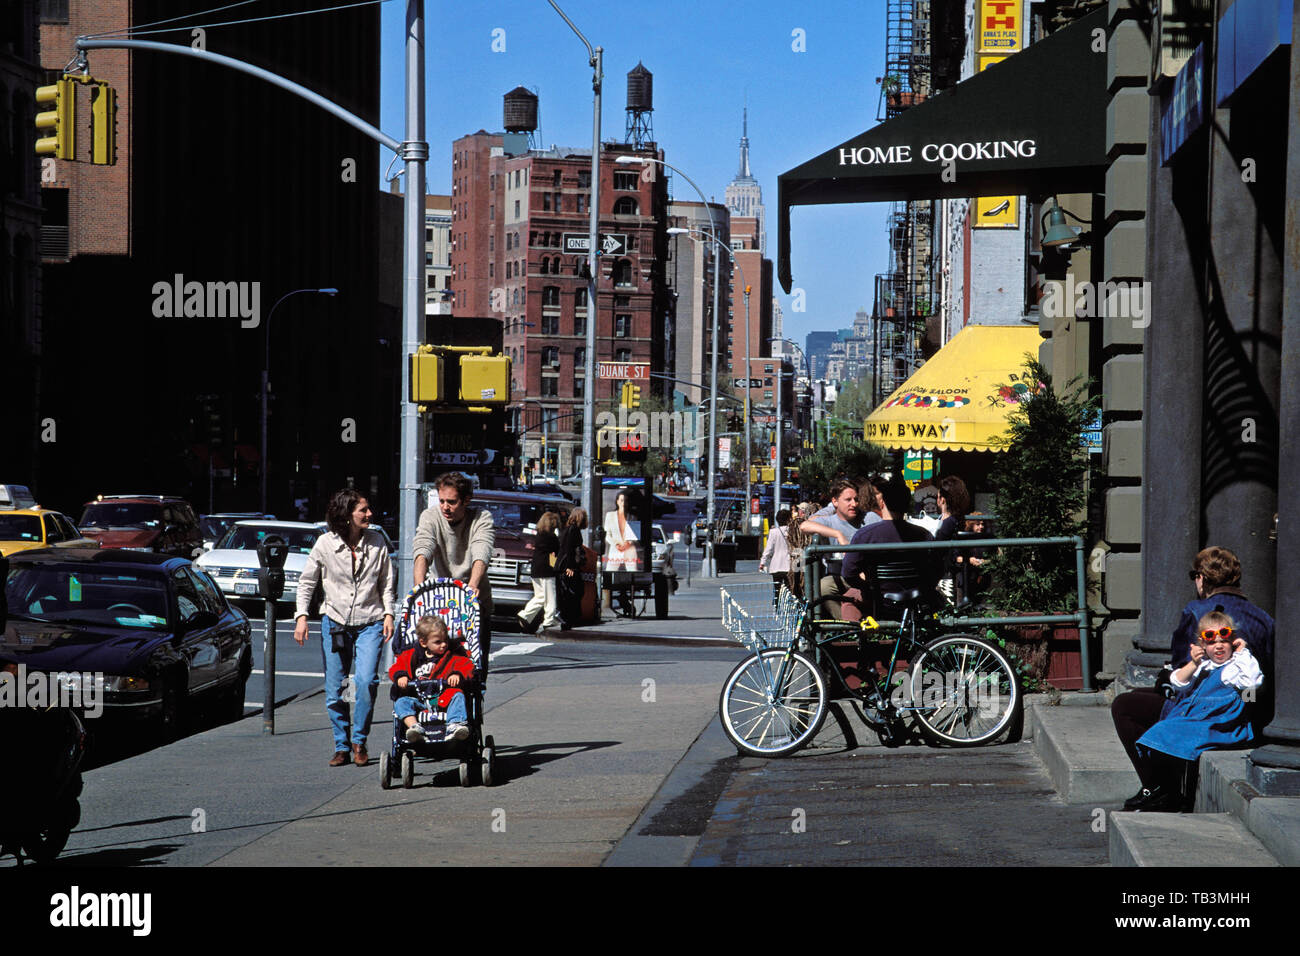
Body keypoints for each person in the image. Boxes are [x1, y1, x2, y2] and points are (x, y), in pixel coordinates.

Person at [1110, 546, 1275, 800]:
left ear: (1202, 579)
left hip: (1212, 707)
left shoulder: (1198, 612)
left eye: (1194, 576)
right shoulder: (1264, 617)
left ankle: (1158, 787)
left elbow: (1181, 667)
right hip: (1252, 711)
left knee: (1125, 705)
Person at [295, 488, 396, 768]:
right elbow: (307, 582)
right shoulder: (325, 544)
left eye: (368, 509)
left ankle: (359, 741)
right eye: (363, 510)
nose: (369, 514)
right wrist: (302, 616)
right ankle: (341, 745)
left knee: (365, 682)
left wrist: (389, 613)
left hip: (370, 621)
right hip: (335, 622)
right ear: (346, 514)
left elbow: (387, 583)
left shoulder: (377, 542)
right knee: (335, 688)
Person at [1124, 609, 1263, 811]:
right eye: (1211, 641)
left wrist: (1242, 652)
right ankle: (1164, 789)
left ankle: (1164, 792)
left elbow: (1252, 681)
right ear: (1202, 644)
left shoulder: (1233, 669)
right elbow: (1178, 682)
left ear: (1232, 640)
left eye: (1224, 640)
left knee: (1165, 731)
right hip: (1199, 719)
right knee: (1163, 731)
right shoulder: (1204, 666)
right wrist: (1194, 661)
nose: (1218, 646)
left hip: (1219, 724)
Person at [412, 472, 495, 669]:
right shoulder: (430, 517)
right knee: (434, 663)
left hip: (472, 600)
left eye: (451, 502)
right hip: (439, 600)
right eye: (441, 501)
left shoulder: (481, 518)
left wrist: (473, 584)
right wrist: (419, 587)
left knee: (476, 664)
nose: (445, 508)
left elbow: (481, 552)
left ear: (466, 500)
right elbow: (423, 549)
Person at [841, 476, 938, 617]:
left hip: (879, 598)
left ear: (882, 503)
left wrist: (867, 587)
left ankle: (858, 636)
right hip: (915, 597)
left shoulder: (865, 535)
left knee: (848, 600)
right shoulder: (924, 535)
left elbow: (848, 574)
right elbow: (935, 569)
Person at [389, 615, 475, 743]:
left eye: (445, 640)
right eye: (438, 642)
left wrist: (457, 674)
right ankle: (414, 728)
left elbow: (467, 665)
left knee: (458, 695)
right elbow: (397, 667)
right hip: (419, 700)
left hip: (443, 699)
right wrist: (401, 676)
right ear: (423, 642)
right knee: (401, 702)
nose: (444, 644)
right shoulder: (411, 655)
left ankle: (455, 725)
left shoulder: (453, 655)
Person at [799, 480, 863, 619]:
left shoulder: (867, 518)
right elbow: (804, 526)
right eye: (848, 500)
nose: (854, 504)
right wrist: (837, 535)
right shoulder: (829, 521)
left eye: (856, 499)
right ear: (835, 502)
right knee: (823, 587)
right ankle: (848, 627)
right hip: (840, 577)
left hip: (864, 575)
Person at [518, 511, 561, 632]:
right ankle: (549, 620)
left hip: (535, 568)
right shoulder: (552, 538)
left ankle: (525, 615)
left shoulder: (538, 536)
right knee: (550, 597)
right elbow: (555, 553)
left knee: (540, 596)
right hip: (547, 570)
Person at [554, 508, 588, 628]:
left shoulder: (567, 528)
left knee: (568, 592)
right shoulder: (574, 530)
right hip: (567, 566)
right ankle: (566, 618)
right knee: (572, 592)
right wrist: (570, 567)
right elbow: (569, 549)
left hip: (562, 566)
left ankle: (566, 617)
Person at [759, 508, 793, 599]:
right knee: (790, 589)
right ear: (789, 519)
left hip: (776, 565)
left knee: (777, 590)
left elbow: (768, 549)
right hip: (790, 565)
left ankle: (778, 608)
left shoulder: (773, 532)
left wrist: (762, 562)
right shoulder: (794, 531)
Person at [603, 491, 639, 572]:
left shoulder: (633, 516)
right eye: (622, 500)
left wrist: (628, 544)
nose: (624, 503)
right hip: (615, 550)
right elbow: (607, 535)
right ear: (617, 501)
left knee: (632, 573)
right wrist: (616, 545)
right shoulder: (610, 515)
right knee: (610, 573)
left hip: (630, 550)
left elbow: (635, 535)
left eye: (626, 500)